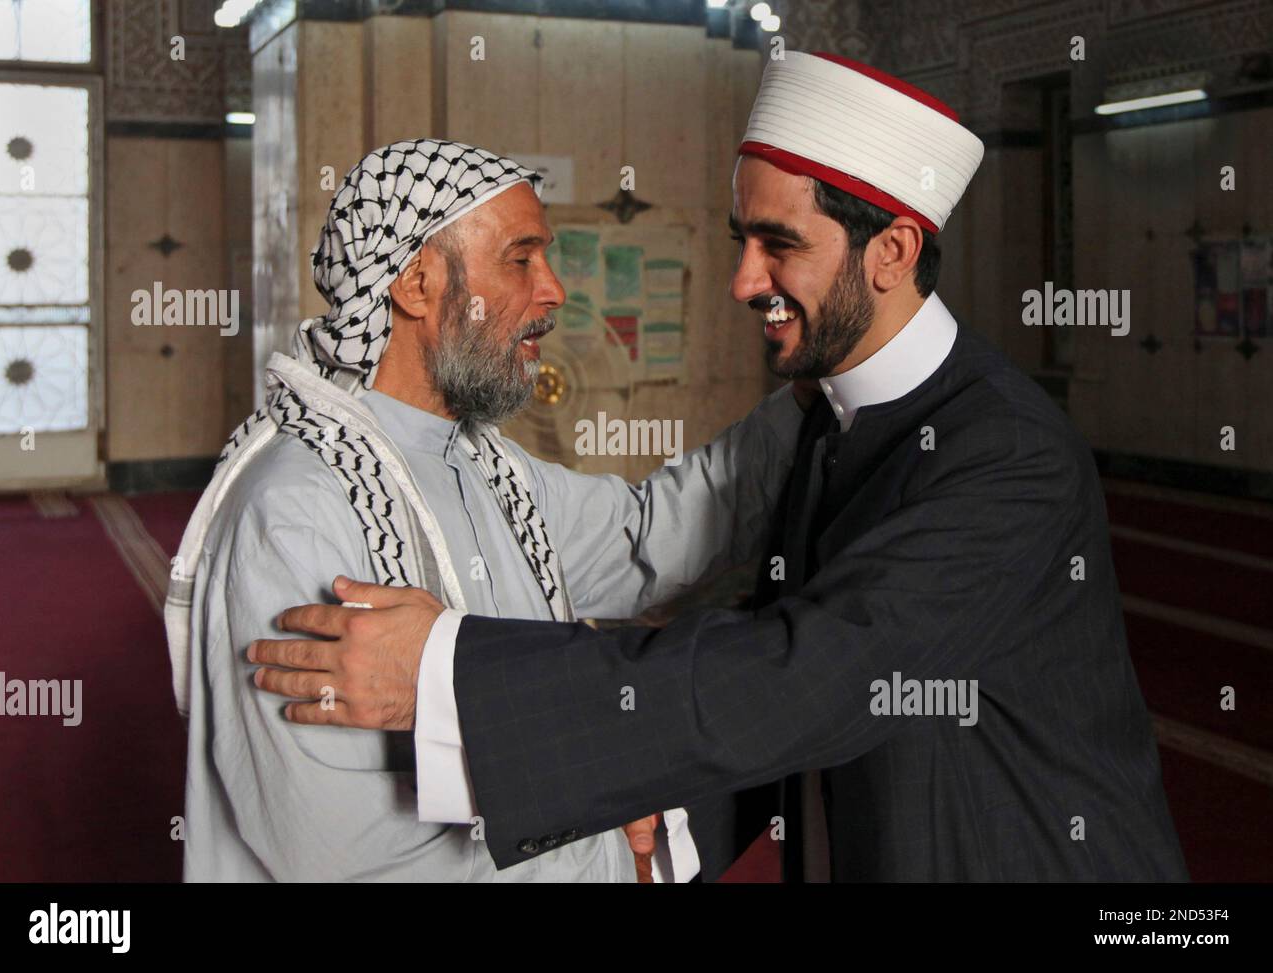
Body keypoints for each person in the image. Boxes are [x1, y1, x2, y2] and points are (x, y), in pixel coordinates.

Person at [252, 55, 1188, 882]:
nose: (744, 280)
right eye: (742, 238)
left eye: (778, 244)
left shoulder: (1007, 454)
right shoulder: (827, 418)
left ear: (893, 252)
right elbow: (764, 663)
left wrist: (452, 673)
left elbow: (811, 673)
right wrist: (659, 830)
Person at [168, 138, 802, 882]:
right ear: (415, 282)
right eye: (521, 259)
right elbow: (337, 849)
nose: (554, 291)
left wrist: (818, 392)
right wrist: (598, 836)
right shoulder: (299, 512)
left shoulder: (491, 468)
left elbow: (649, 535)